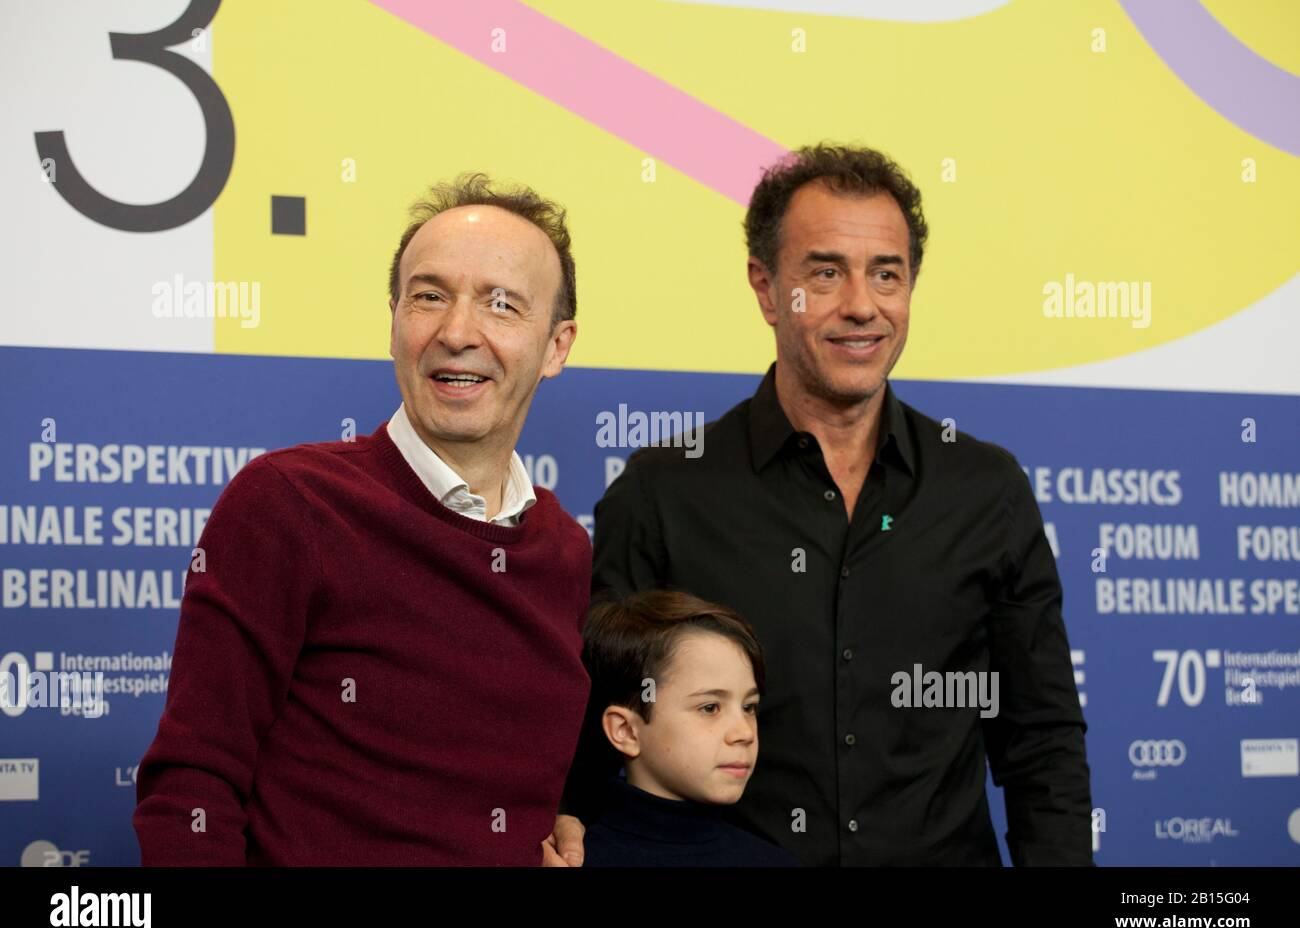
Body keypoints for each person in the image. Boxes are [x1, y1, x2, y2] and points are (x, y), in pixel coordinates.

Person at [559, 143, 1093, 866]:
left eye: (887, 274)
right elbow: (596, 721)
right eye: (825, 272)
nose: (862, 306)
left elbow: (1040, 736)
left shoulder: (986, 489)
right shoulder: (663, 493)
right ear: (766, 287)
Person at [134, 173, 592, 865]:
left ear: (557, 346)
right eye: (429, 297)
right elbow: (193, 787)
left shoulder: (563, 549)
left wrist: (565, 820)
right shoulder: (290, 504)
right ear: (394, 321)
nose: (456, 332)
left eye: (501, 305)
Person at [577, 590, 798, 866]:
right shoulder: (570, 859)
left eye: (749, 707)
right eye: (710, 708)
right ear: (626, 731)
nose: (745, 733)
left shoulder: (774, 861)